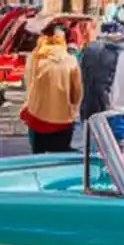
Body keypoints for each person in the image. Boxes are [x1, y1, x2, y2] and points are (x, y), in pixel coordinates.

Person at [20, 24, 83, 154]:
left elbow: (28, 82)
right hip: (63, 120)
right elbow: (76, 94)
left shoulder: (35, 58)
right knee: (59, 158)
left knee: (38, 159)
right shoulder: (71, 61)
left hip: (37, 117)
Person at [79, 23, 124, 120]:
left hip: (88, 104)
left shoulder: (91, 49)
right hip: (105, 107)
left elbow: (83, 75)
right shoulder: (116, 53)